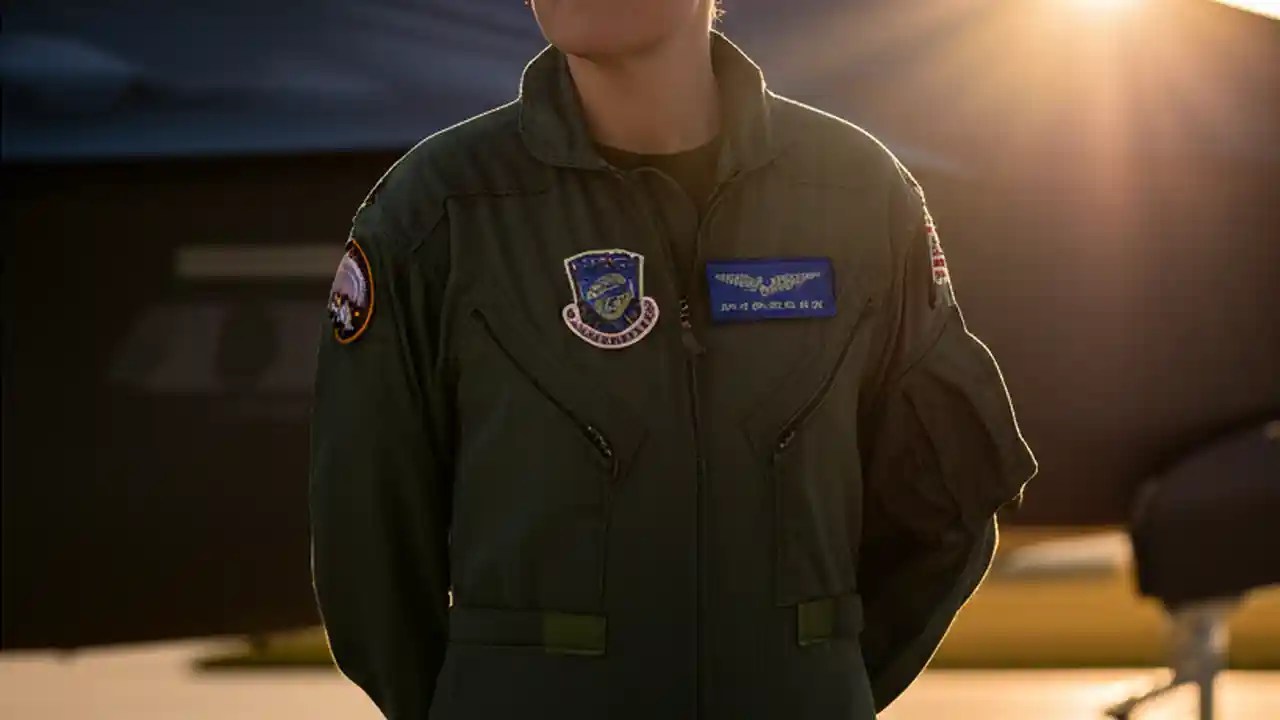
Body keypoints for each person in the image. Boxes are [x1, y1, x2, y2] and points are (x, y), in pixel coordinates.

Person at [308, 1, 1037, 718]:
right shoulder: (441, 214)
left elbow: (942, 504)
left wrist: (807, 677)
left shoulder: (859, 200)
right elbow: (368, 553)